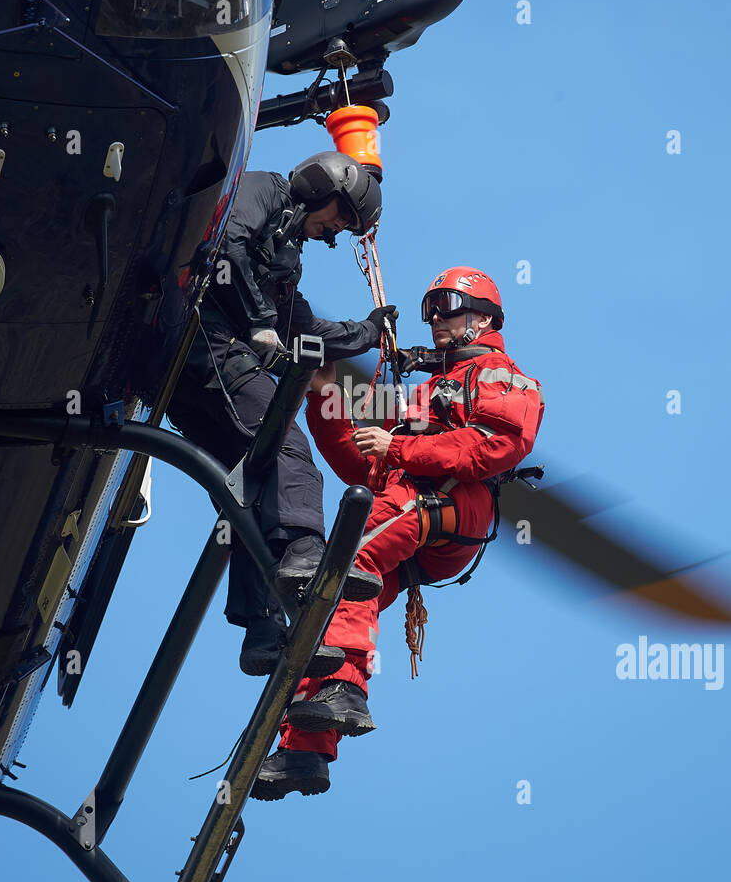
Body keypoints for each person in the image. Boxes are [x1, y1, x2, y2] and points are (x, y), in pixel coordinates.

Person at [250, 266, 545, 800]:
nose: (434, 319)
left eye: (448, 306)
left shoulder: (498, 375)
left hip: (449, 503)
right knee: (325, 603)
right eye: (430, 308)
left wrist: (401, 449)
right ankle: (305, 752)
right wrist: (320, 390)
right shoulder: (422, 394)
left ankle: (347, 691)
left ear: (483, 316)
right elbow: (359, 458)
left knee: (344, 559)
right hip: (409, 506)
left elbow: (498, 444)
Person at [167, 155, 397, 678]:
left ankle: (262, 627)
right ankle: (306, 553)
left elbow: (299, 324)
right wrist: (259, 322)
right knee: (286, 444)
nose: (339, 229)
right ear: (324, 185)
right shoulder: (263, 190)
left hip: (197, 366)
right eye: (344, 214)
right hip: (206, 342)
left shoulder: (287, 254)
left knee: (250, 481)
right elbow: (225, 244)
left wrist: (365, 332)